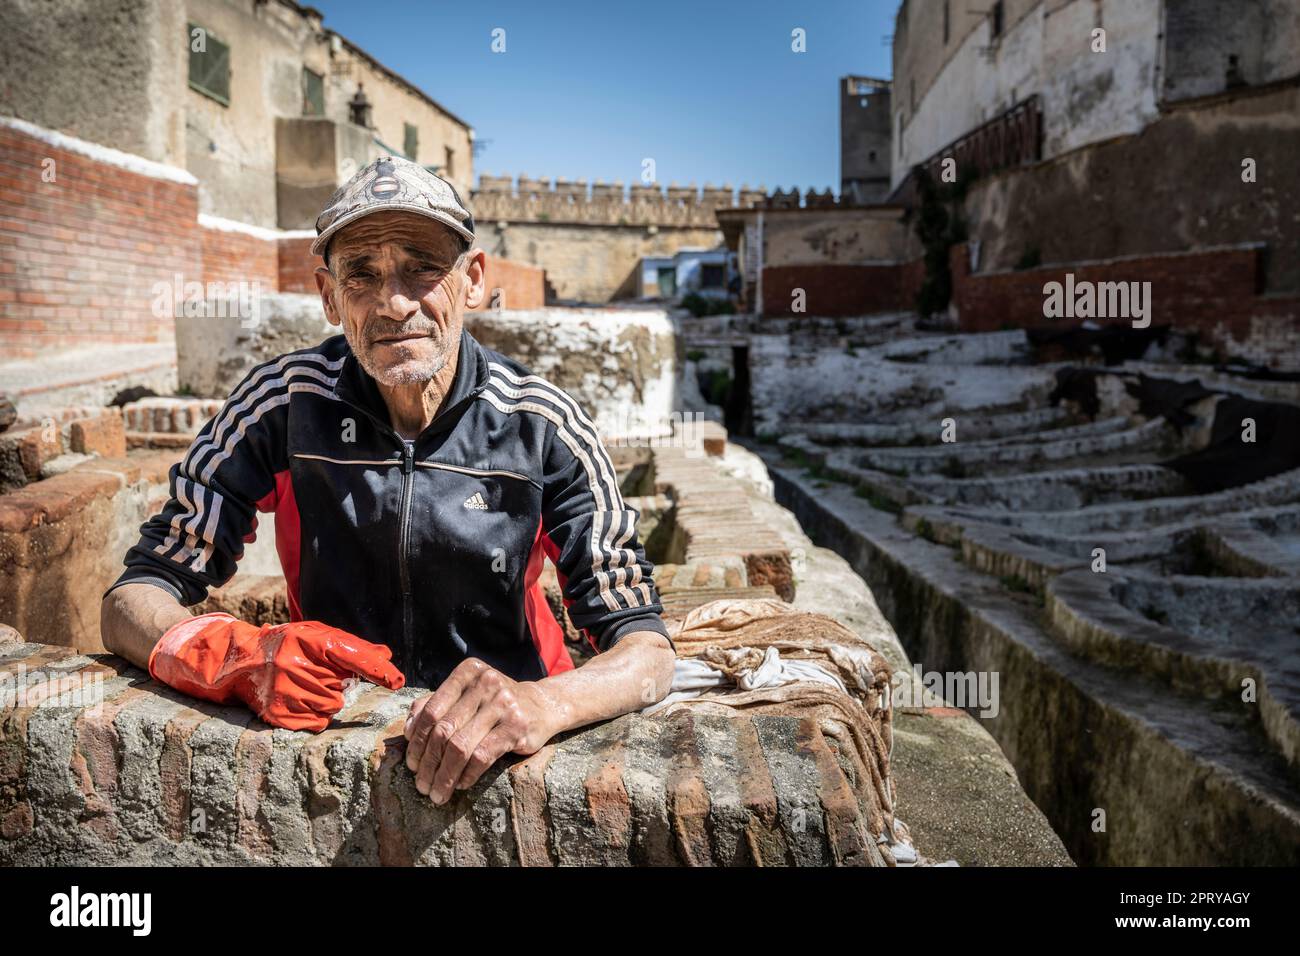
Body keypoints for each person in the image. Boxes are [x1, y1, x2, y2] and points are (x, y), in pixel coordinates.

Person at [101, 155, 675, 806]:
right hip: (334, 751)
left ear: (473, 279)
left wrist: (542, 702)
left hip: (514, 758)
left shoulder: (540, 424)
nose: (393, 303)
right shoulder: (283, 405)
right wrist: (231, 657)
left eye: (422, 267)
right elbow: (131, 601)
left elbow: (646, 649)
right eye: (363, 275)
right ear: (328, 296)